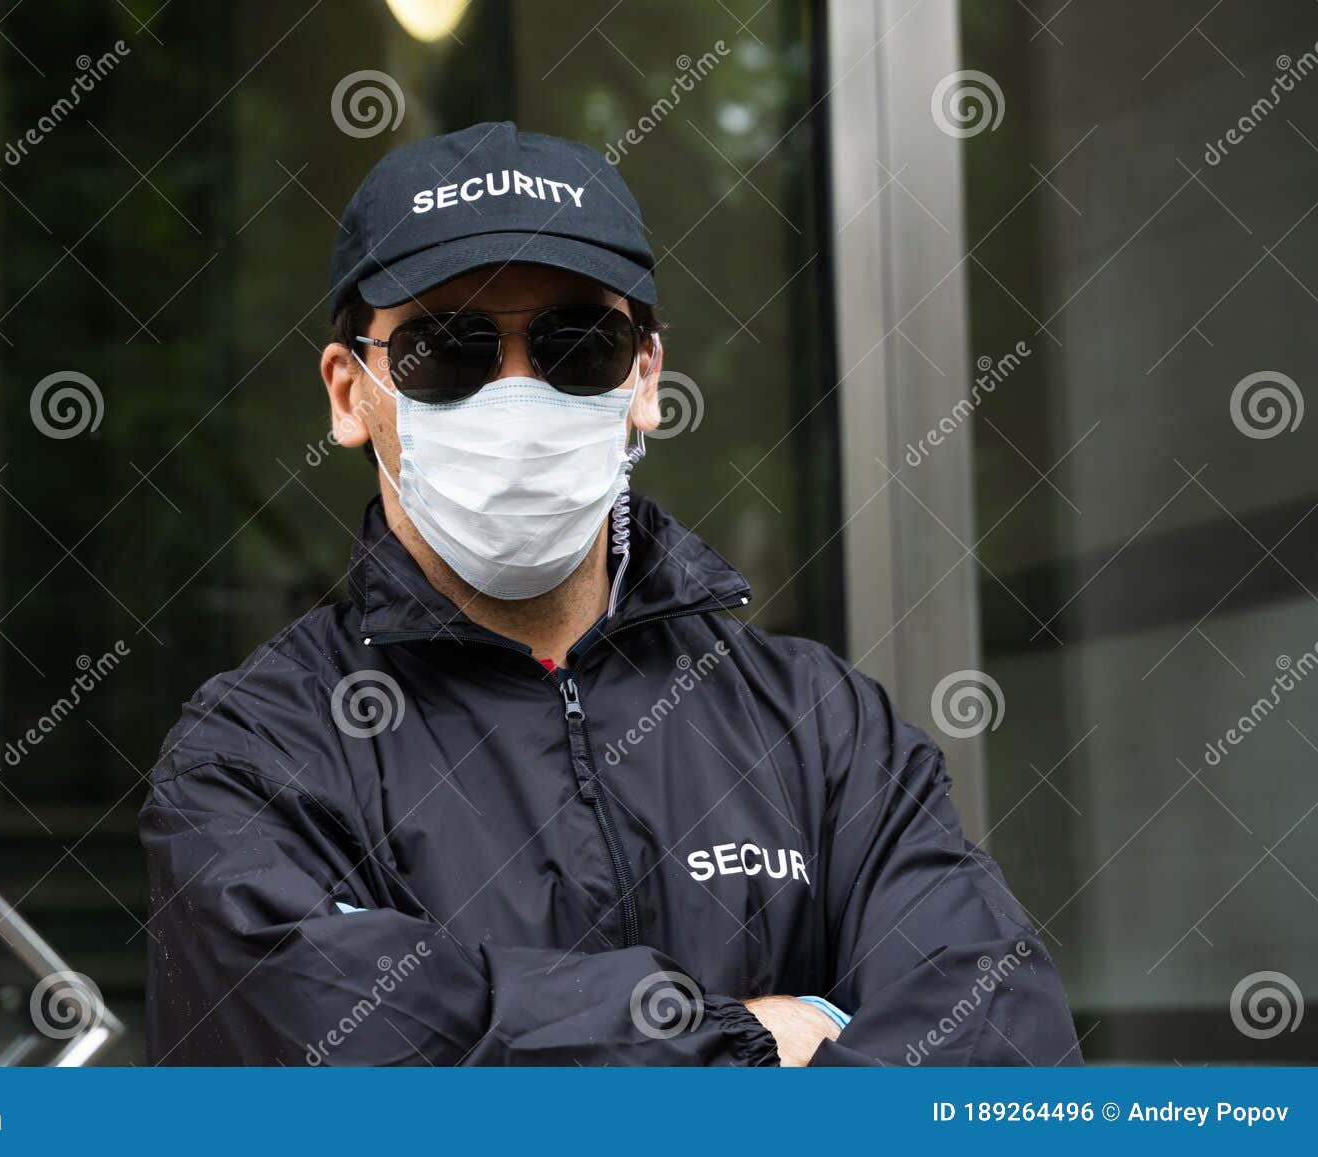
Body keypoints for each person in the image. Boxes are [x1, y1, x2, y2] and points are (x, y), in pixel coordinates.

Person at [139, 122, 1080, 1066]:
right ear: (351, 393)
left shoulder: (824, 730)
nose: (516, 394)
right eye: (448, 349)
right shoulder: (254, 758)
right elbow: (334, 1068)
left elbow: (1000, 1040)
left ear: (644, 378)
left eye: (575, 343)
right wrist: (750, 1037)